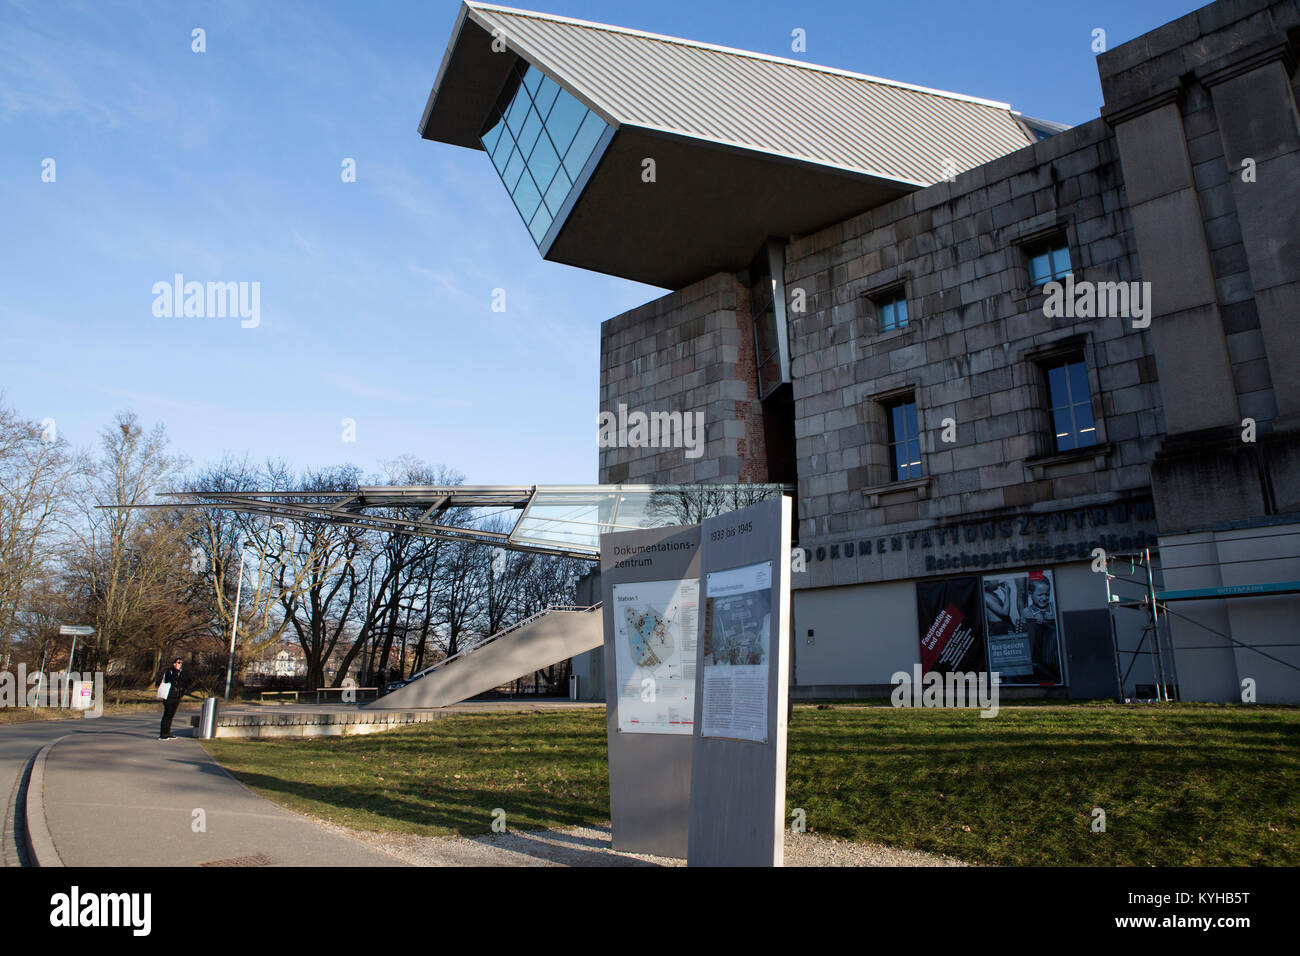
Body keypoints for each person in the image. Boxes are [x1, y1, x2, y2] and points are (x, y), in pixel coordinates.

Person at [159, 656, 191, 740]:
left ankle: (168, 732)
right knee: (167, 714)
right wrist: (175, 672)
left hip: (177, 696)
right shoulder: (169, 671)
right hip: (169, 696)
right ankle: (163, 734)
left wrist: (183, 691)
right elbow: (167, 680)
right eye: (178, 662)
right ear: (174, 664)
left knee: (171, 715)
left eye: (181, 663)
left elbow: (185, 682)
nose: (180, 664)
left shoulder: (182, 672)